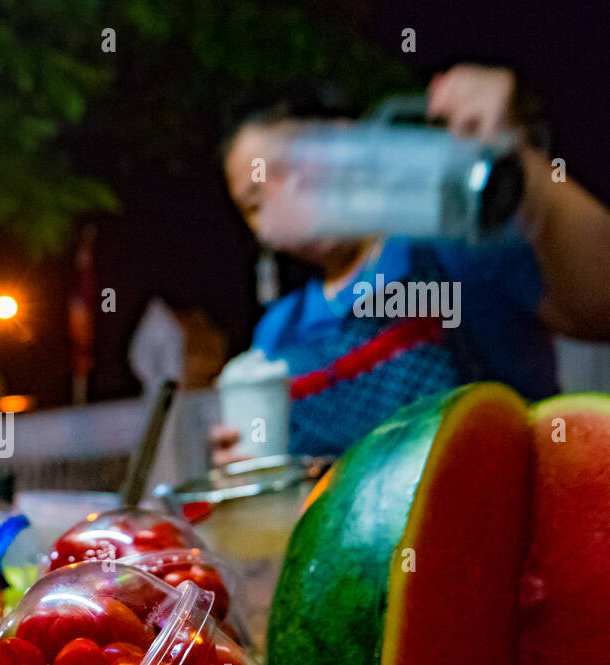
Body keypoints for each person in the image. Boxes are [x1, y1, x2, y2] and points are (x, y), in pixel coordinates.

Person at [214, 64, 610, 461]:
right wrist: (243, 463)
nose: (281, 200)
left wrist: (523, 172)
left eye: (287, 168)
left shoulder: (452, 246)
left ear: (342, 136)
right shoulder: (279, 334)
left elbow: (599, 306)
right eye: (255, 203)